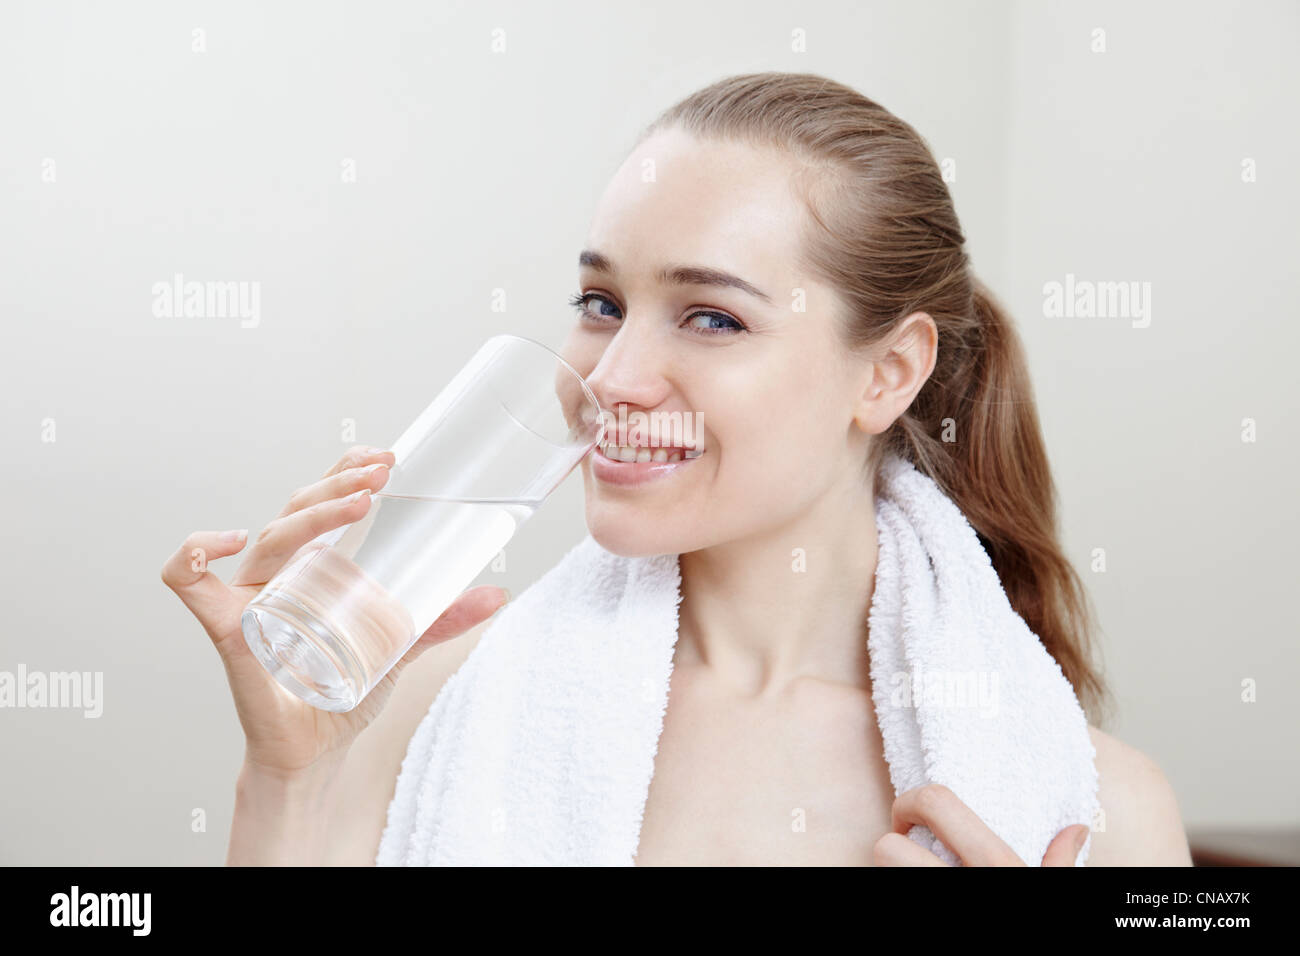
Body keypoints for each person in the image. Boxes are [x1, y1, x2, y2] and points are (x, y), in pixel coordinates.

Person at [161, 72, 1192, 866]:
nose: (612, 376)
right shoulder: (424, 709)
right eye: (602, 303)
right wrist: (288, 774)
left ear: (886, 372)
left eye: (711, 315)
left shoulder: (1103, 813)